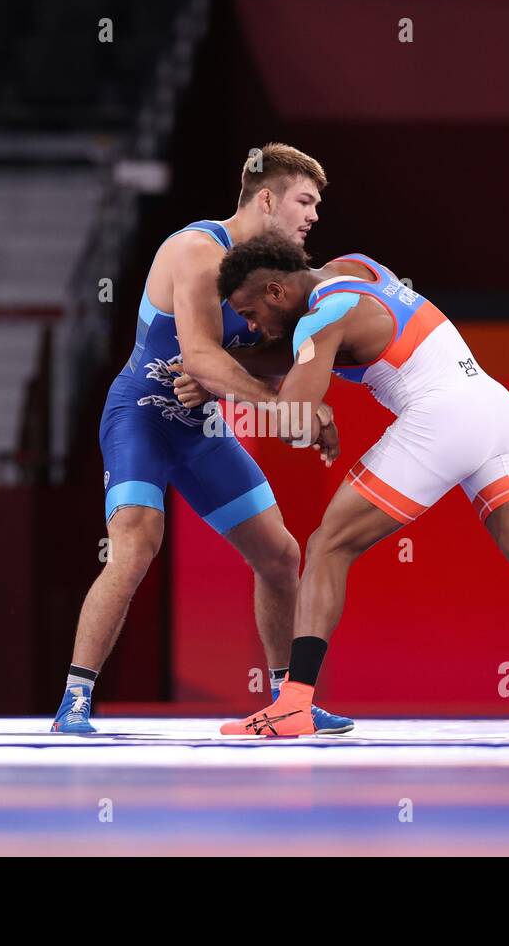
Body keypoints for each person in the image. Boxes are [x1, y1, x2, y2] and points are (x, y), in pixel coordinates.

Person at [187, 234, 509, 736]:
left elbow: (293, 419)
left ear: (276, 292)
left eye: (250, 315)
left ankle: (293, 703)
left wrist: (305, 412)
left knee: (327, 545)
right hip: (496, 410)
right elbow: (302, 361)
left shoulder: (319, 320)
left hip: (443, 419)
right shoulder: (355, 266)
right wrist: (240, 377)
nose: (253, 328)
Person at [51, 144, 353, 734]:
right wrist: (282, 410)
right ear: (266, 199)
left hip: (200, 428)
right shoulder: (195, 250)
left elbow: (264, 361)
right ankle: (76, 702)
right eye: (305, 200)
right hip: (141, 415)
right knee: (136, 546)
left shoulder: (274, 275)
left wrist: (289, 401)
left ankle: (285, 700)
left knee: (281, 555)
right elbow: (200, 357)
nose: (314, 215)